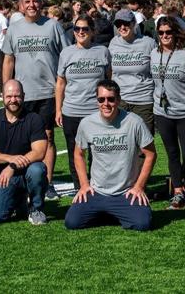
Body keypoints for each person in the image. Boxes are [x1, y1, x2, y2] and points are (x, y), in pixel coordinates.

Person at [2, 0, 70, 200]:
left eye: (35, 1)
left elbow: (66, 55)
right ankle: (22, 180)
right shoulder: (14, 29)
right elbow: (8, 60)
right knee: (21, 140)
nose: (32, 5)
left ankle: (46, 183)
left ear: (41, 4)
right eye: (27, 2)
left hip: (48, 92)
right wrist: (6, 88)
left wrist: (65, 86)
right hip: (21, 95)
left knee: (47, 137)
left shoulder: (53, 26)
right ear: (21, 5)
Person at [64, 80, 156, 231]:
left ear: (118, 100)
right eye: (101, 99)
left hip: (125, 193)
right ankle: (110, 212)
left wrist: (139, 187)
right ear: (97, 101)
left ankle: (112, 212)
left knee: (142, 223)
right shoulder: (87, 123)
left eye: (111, 99)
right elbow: (78, 154)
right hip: (96, 192)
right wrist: (84, 185)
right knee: (72, 222)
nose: (106, 103)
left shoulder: (134, 122)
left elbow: (151, 154)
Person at [0, 80, 49, 225]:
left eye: (17, 96)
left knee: (38, 169)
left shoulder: (34, 119)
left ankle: (36, 209)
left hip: (27, 173)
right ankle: (18, 200)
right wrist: (10, 159)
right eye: (9, 96)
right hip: (4, 178)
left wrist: (12, 166)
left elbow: (39, 152)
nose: (13, 100)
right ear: (2, 96)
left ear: (23, 96)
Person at [55, 15, 112, 188]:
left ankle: (97, 186)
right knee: (75, 152)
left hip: (95, 112)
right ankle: (79, 187)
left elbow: (109, 80)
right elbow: (60, 83)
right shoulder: (66, 53)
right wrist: (58, 110)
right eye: (77, 29)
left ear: (92, 31)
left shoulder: (102, 51)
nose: (81, 32)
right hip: (71, 111)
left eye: (85, 29)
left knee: (98, 152)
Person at [150, 16, 185, 209]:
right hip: (162, 111)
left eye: (168, 32)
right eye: (161, 32)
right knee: (172, 153)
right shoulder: (154, 53)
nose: (164, 36)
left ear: (176, 33)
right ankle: (177, 191)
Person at [109, 9, 157, 134]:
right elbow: (111, 72)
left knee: (144, 142)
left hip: (143, 101)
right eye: (118, 24)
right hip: (120, 101)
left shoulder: (148, 43)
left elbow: (157, 72)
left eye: (126, 23)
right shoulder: (113, 43)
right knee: (121, 140)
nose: (122, 27)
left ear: (134, 23)